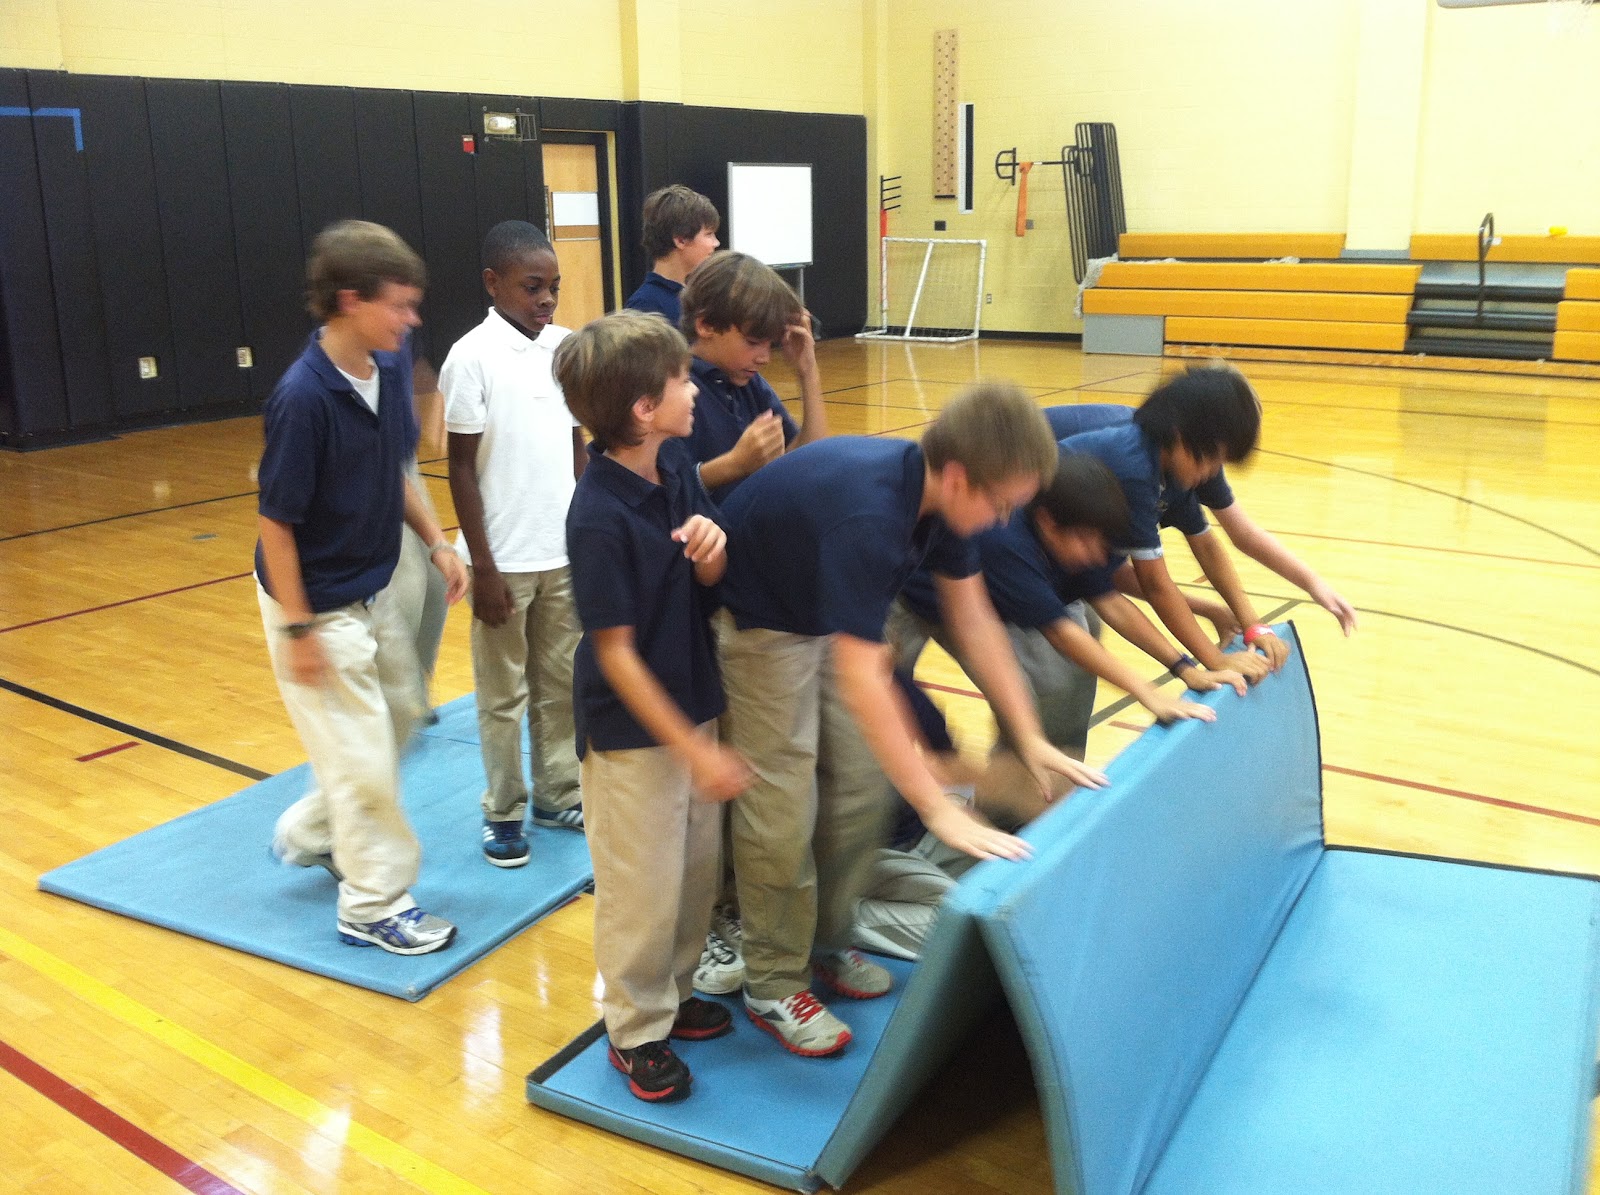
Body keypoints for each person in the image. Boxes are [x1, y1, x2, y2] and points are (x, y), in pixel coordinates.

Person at [714, 382, 1108, 1057]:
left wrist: (1031, 735)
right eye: (1002, 503)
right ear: (958, 477)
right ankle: (774, 978)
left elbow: (972, 612)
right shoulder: (870, 511)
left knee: (860, 789)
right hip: (759, 625)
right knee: (782, 801)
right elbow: (864, 675)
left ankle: (822, 942)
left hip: (820, 614)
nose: (1001, 519)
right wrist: (937, 807)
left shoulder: (948, 505)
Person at [555, 309, 752, 1104]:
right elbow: (614, 654)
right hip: (634, 731)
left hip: (692, 694)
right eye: (679, 380)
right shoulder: (597, 515)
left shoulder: (677, 466)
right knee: (639, 887)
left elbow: (706, 583)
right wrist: (693, 749)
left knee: (692, 871)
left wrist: (714, 550)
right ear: (642, 406)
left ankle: (671, 992)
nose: (692, 390)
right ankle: (634, 1027)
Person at [257, 220, 468, 955]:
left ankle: (309, 830)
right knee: (363, 757)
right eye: (400, 306)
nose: (411, 321)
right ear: (349, 300)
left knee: (403, 717)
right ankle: (372, 902)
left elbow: (393, 469)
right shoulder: (303, 399)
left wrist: (438, 543)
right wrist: (297, 629)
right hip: (312, 602)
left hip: (372, 586)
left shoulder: (386, 359)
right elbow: (276, 524)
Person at [890, 448, 1239, 761]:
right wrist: (1145, 691)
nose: (1095, 554)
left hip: (981, 602)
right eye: (1086, 541)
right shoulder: (1008, 545)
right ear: (1048, 524)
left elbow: (1112, 602)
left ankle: (1028, 791)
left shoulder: (1080, 528)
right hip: (906, 598)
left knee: (1063, 675)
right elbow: (1060, 633)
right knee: (877, 712)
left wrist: (1185, 667)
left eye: (1101, 542)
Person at [1061, 367, 1357, 684]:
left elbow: (1220, 541)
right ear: (1181, 435)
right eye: (1214, 458)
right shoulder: (1133, 470)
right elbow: (1154, 585)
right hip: (1024, 549)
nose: (1215, 471)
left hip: (1067, 557)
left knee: (1078, 661)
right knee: (1059, 677)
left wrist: (1266, 614)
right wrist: (1213, 660)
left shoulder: (1184, 463)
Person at [444, 220, 588, 869]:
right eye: (533, 286)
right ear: (493, 282)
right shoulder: (469, 356)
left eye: (553, 286)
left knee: (559, 685)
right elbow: (460, 470)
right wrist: (485, 567)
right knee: (503, 696)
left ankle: (558, 792)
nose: (547, 299)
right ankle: (503, 808)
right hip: (502, 561)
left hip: (561, 554)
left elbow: (576, 445)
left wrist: (587, 531)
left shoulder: (565, 348)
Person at [680, 250, 829, 504]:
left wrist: (808, 373)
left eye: (770, 344)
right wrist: (733, 464)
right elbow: (662, 492)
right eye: (752, 342)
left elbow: (811, 458)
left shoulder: (749, 383)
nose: (764, 358)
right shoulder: (675, 388)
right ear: (705, 325)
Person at [623, 184, 721, 325]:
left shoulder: (697, 296)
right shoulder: (645, 306)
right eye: (709, 234)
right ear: (680, 240)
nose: (716, 243)